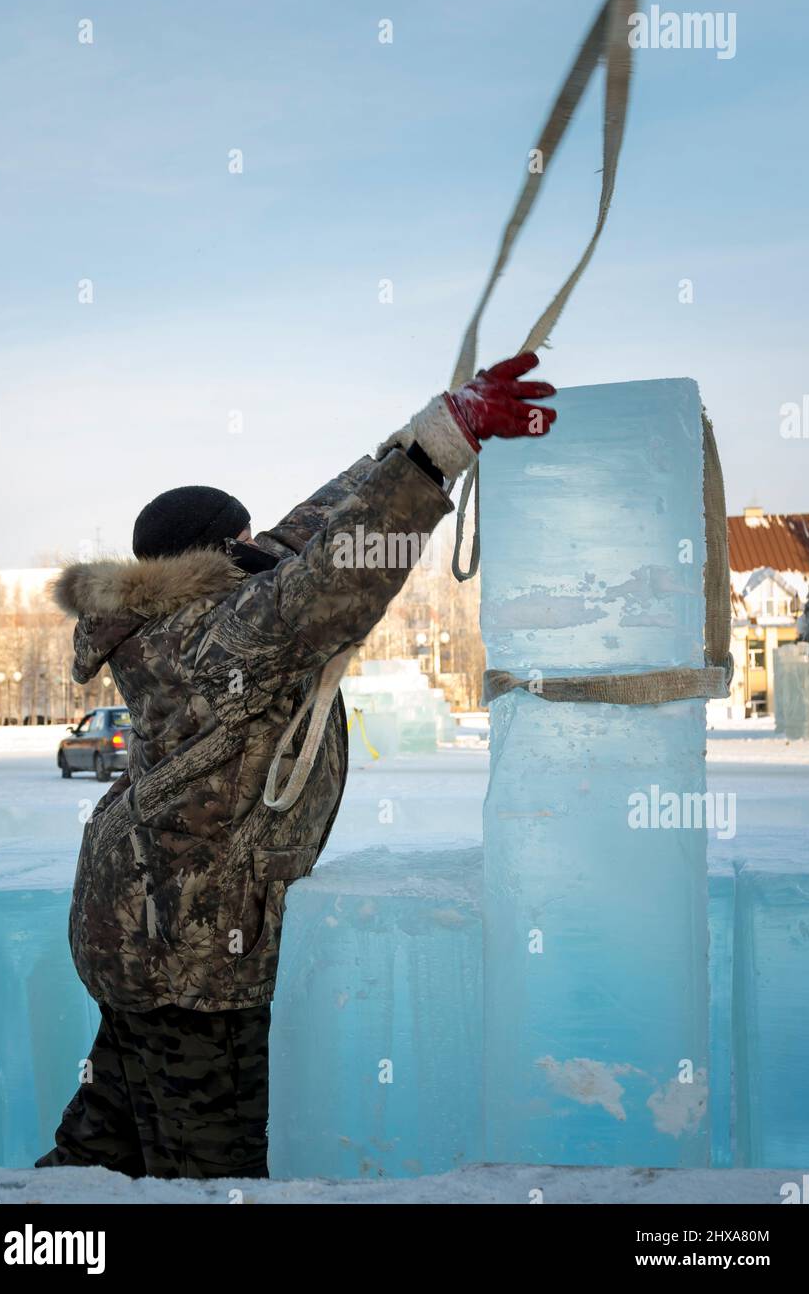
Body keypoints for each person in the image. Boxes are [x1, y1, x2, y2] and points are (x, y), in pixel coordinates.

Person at [36, 353, 555, 1179]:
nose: (254, 543)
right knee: (207, 1172)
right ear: (204, 560)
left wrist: (427, 434)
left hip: (138, 929)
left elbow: (311, 527)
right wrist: (439, 453)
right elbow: (333, 577)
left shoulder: (178, 616)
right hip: (190, 958)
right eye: (238, 538)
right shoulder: (214, 637)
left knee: (107, 1140)